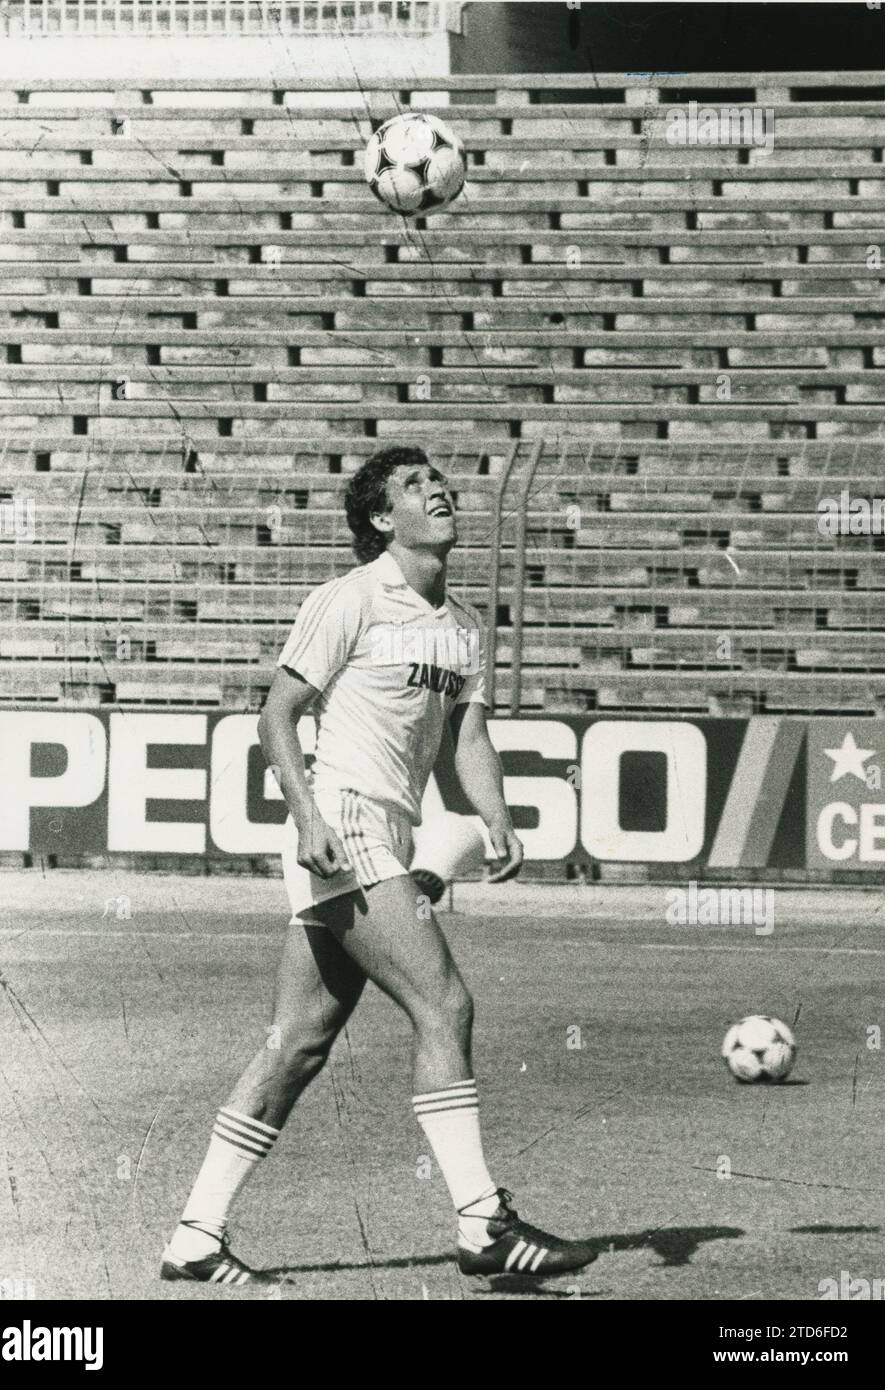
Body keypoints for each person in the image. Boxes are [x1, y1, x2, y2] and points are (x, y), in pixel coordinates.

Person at [161, 445, 597, 1286]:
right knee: (445, 1002)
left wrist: (497, 817)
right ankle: (482, 1224)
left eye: (438, 480)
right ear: (378, 520)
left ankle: (193, 1238)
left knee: (299, 1043)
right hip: (345, 823)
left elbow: (467, 739)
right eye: (412, 486)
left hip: (387, 835)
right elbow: (277, 715)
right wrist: (308, 814)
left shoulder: (465, 625)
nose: (436, 490)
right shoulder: (349, 598)